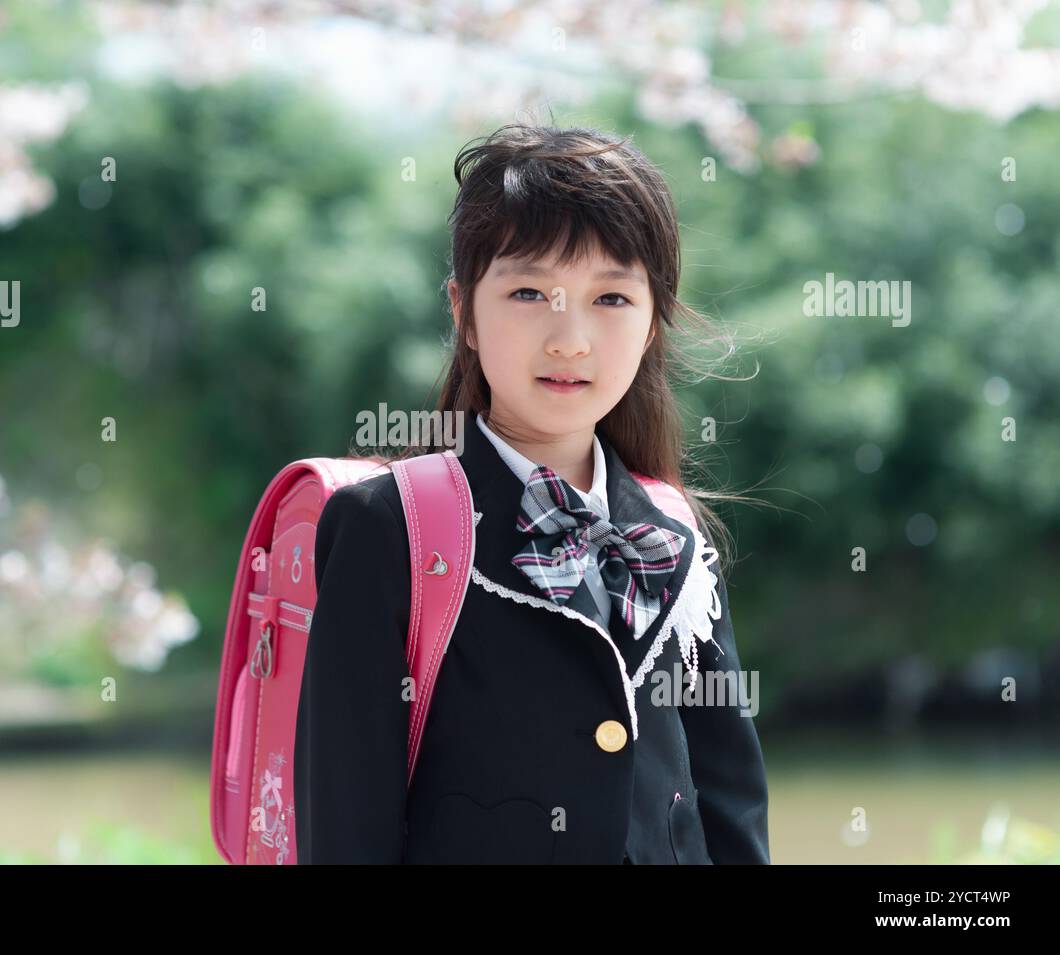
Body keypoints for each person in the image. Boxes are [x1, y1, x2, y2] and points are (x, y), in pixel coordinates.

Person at [293, 122, 770, 864]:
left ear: (652, 323)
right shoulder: (392, 528)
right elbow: (346, 828)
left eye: (611, 297)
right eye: (527, 291)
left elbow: (729, 799)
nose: (570, 337)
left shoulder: (673, 530)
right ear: (464, 312)